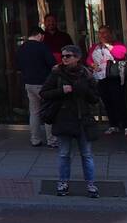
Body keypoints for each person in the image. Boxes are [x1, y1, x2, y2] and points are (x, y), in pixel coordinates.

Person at [39, 45, 101, 198]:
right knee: (63, 154)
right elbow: (44, 93)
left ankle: (91, 184)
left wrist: (84, 89)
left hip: (82, 119)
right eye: (63, 56)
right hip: (64, 118)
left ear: (77, 58)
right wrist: (61, 91)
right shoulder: (57, 73)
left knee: (86, 154)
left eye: (68, 56)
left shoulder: (86, 74)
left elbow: (95, 98)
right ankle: (63, 182)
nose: (64, 58)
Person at [88, 26, 127, 137]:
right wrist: (92, 64)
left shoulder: (117, 45)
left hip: (115, 77)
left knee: (120, 101)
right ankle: (113, 125)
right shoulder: (95, 47)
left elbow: (120, 55)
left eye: (105, 33)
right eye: (100, 33)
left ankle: (126, 126)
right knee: (107, 102)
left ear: (111, 33)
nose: (102, 35)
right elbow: (89, 59)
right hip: (102, 77)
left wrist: (108, 46)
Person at [17, 27, 57, 148]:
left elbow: (18, 65)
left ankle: (35, 139)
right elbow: (51, 63)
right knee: (48, 111)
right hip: (43, 83)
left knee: (34, 112)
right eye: (43, 36)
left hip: (28, 83)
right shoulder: (41, 47)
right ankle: (51, 140)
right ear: (39, 35)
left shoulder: (22, 48)